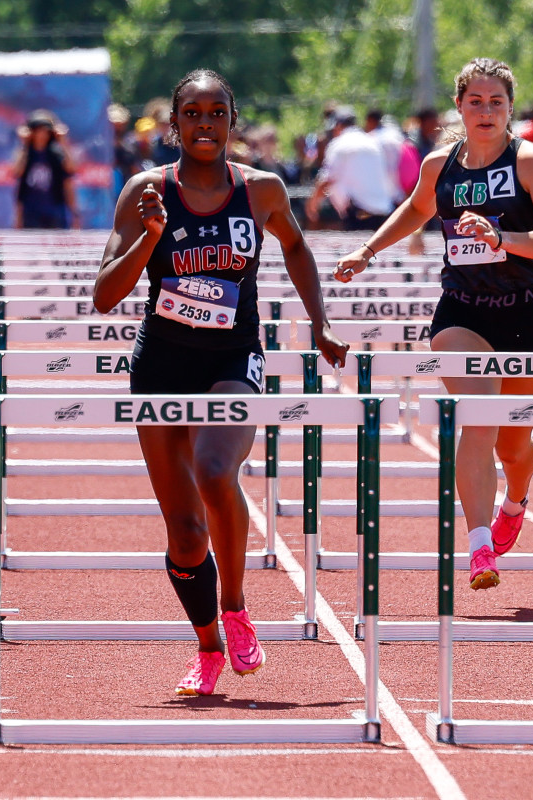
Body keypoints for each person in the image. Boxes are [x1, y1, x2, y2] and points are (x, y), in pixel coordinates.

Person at [93, 70, 348, 697]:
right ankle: (206, 645)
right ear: (174, 124)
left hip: (233, 356)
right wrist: (149, 239)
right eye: (193, 114)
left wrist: (319, 321)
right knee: (183, 531)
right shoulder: (144, 192)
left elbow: (295, 247)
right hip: (160, 363)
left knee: (214, 470)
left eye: (216, 113)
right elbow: (104, 296)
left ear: (231, 121)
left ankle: (234, 607)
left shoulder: (261, 190)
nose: (205, 124)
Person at [334, 58, 533, 591]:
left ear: (510, 108)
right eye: (475, 101)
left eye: (497, 102)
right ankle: (480, 545)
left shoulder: (531, 163)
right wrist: (367, 250)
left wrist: (500, 238)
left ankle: (516, 498)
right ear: (459, 105)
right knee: (479, 415)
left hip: (526, 314)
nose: (486, 111)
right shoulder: (440, 165)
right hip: (462, 311)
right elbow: (416, 210)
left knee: (515, 447)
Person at [306, 106, 396, 230]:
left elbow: (327, 179)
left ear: (338, 125)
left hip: (359, 214)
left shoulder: (339, 144)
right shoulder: (372, 142)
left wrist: (312, 205)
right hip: (384, 211)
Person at [14, 110, 79, 229]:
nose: (41, 135)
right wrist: (24, 144)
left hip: (55, 210)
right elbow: (17, 172)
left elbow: (71, 169)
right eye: (37, 131)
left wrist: (63, 143)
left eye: (45, 131)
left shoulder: (56, 154)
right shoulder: (27, 154)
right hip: (31, 211)